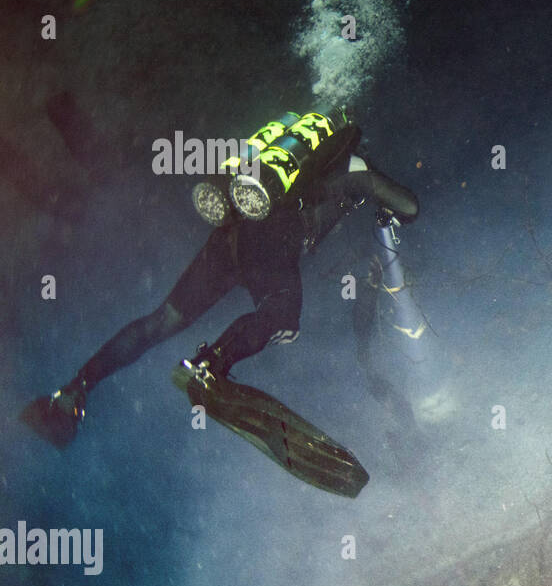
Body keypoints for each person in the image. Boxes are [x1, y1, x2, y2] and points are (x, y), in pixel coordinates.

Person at [21, 110, 419, 455]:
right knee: (282, 315)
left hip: (231, 235)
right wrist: (384, 200)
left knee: (162, 320)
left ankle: (75, 387)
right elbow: (410, 206)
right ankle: (210, 365)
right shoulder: (353, 166)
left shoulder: (286, 159)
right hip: (272, 238)